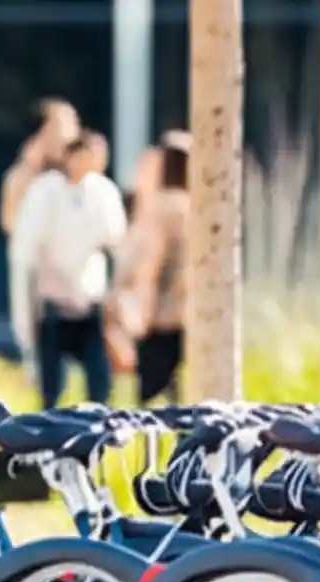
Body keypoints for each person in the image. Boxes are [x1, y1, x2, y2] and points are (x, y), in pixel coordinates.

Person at [9, 130, 127, 409]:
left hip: (89, 298)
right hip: (53, 297)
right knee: (51, 385)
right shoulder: (45, 191)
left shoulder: (102, 191)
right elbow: (27, 245)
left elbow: (115, 236)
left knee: (98, 381)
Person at [125, 132, 190, 403]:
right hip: (187, 314)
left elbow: (150, 265)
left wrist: (142, 313)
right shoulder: (196, 208)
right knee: (182, 401)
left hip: (160, 317)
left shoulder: (161, 208)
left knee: (150, 400)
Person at [0, 97, 81, 237]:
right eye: (67, 123)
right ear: (45, 128)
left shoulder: (78, 167)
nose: (74, 131)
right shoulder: (22, 175)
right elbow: (10, 222)